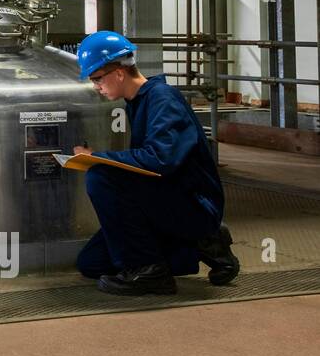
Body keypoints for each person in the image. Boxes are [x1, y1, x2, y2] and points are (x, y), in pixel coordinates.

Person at [73, 30, 239, 295]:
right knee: (91, 263)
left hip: (194, 204)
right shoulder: (136, 102)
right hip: (168, 201)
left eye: (96, 78)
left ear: (118, 73)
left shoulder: (162, 98)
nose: (96, 86)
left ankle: (151, 271)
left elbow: (161, 159)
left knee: (101, 176)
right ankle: (201, 243)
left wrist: (98, 159)